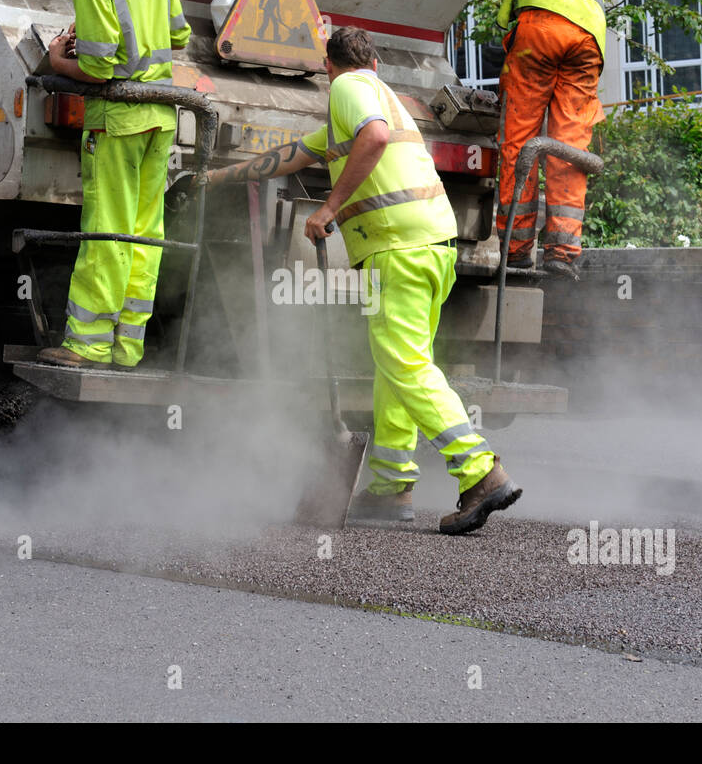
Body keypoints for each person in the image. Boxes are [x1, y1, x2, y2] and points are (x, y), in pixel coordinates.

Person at [204, 27, 523, 535]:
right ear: (375, 61)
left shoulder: (348, 89)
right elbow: (293, 155)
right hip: (429, 244)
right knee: (397, 364)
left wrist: (328, 209)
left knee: (404, 363)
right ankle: (392, 483)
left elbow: (372, 138)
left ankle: (480, 471)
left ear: (329, 66)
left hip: (398, 247)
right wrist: (220, 177)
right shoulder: (380, 94)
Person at [38, 0, 191, 369]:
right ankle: (127, 348)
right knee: (145, 235)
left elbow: (99, 70)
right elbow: (179, 36)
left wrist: (59, 61)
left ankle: (86, 345)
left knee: (107, 232)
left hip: (117, 123)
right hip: (160, 119)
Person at [496, 0, 607, 281]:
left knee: (520, 138)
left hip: (542, 32)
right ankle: (562, 251)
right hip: (587, 47)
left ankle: (517, 247)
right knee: (567, 147)